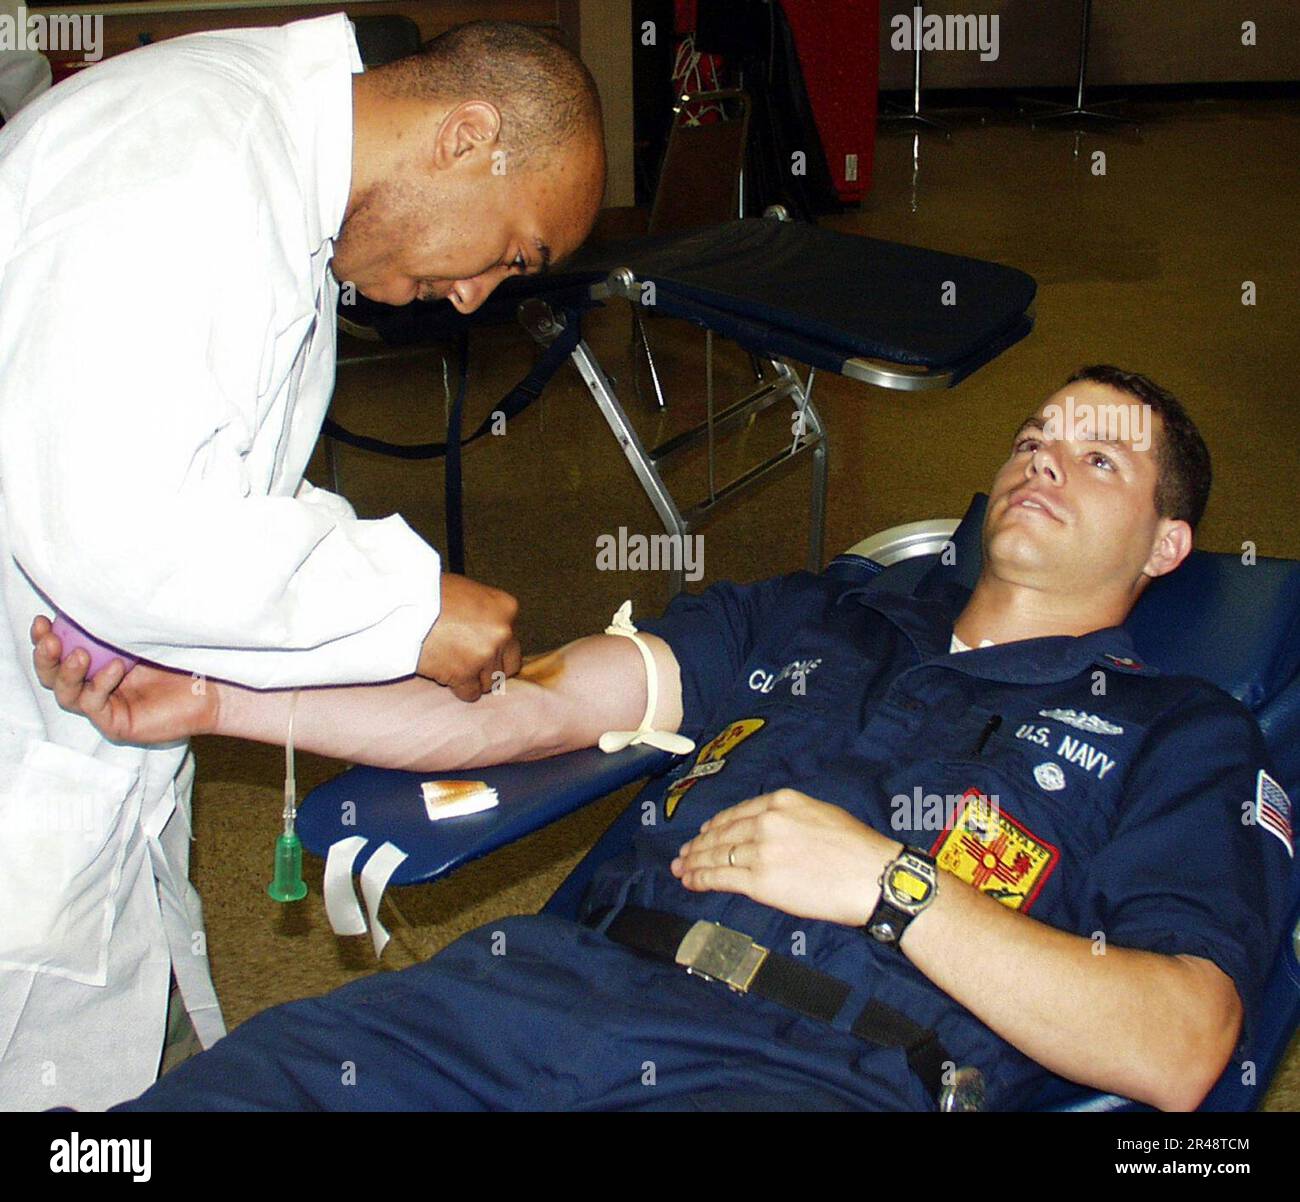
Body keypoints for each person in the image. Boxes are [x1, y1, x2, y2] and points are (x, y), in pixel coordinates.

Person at [35, 367, 1293, 1112]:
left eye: (1097, 460)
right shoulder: (819, 608)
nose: (1040, 462)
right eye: (1031, 438)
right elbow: (523, 705)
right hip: (528, 992)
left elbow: (1182, 1048)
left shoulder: (1180, 732)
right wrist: (217, 701)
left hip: (798, 1073)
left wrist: (888, 886)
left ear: (1167, 546)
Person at [0, 17, 605, 1109]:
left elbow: (228, 488)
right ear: (467, 137)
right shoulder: (184, 161)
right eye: (513, 253)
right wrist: (405, 606)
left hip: (73, 741)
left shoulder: (275, 183)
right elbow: (117, 524)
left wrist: (382, 618)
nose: (476, 298)